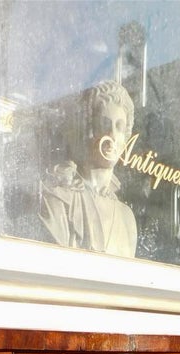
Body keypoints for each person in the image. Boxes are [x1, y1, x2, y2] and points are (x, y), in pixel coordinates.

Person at [39, 80, 137, 258]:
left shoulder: (127, 218)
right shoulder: (60, 201)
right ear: (88, 130)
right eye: (105, 125)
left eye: (119, 127)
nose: (112, 136)